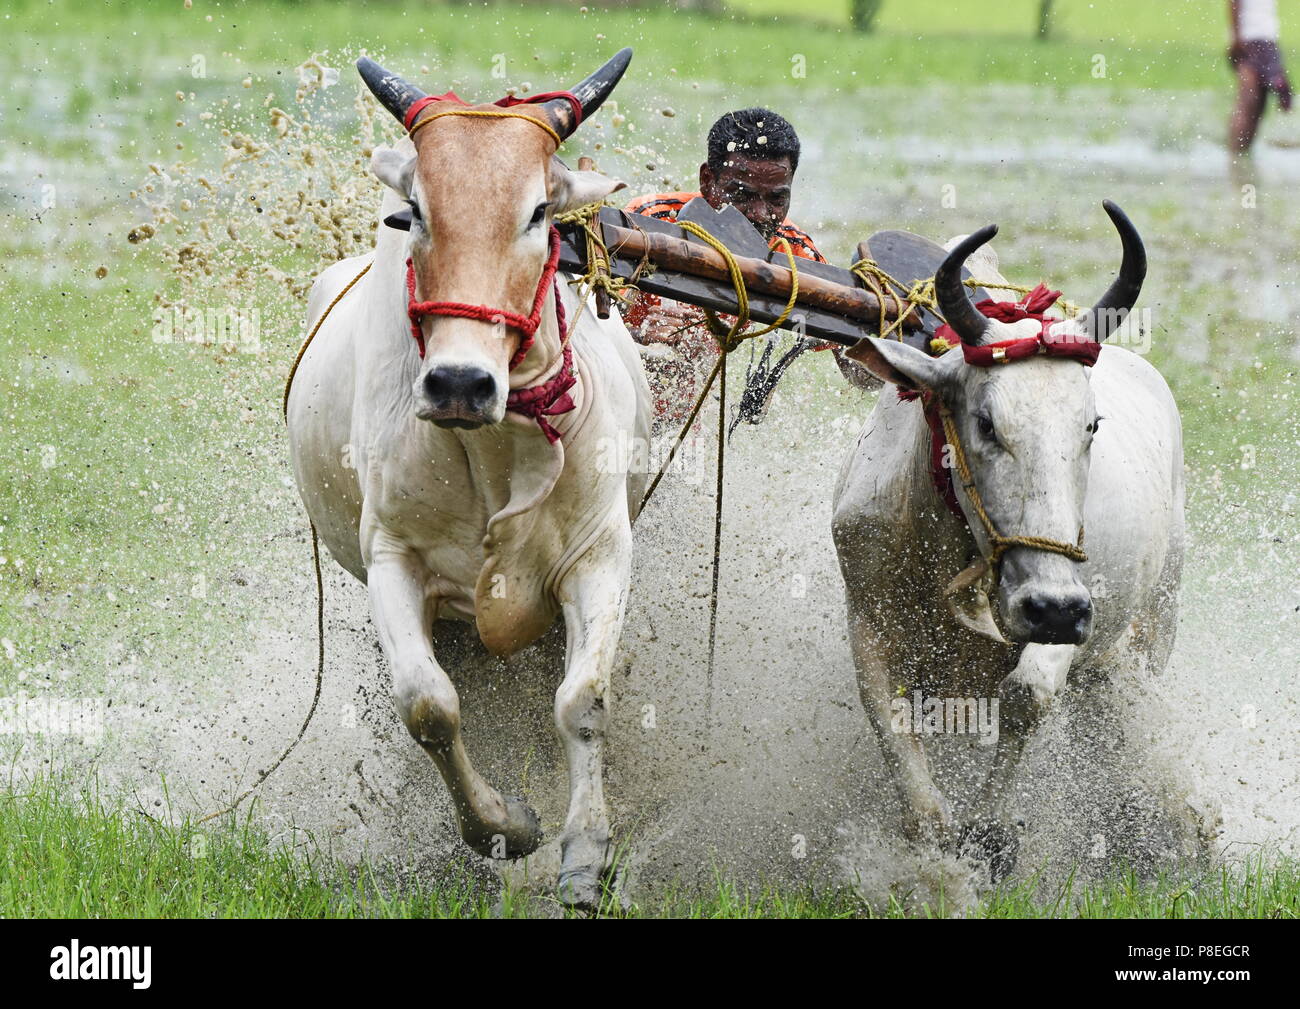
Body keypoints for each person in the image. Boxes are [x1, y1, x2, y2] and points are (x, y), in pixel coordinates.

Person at [620, 108, 829, 426]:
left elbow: (861, 370)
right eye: (742, 195)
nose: (760, 214)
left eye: (776, 199)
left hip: (694, 418)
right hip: (619, 397)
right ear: (707, 181)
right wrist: (636, 333)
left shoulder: (793, 251)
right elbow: (582, 328)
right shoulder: (647, 223)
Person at [1228, 0, 1292, 154]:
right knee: (1248, 99)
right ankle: (1234, 153)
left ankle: (1244, 152)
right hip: (1249, 39)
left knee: (1260, 102)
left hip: (1267, 39)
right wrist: (1236, 37)